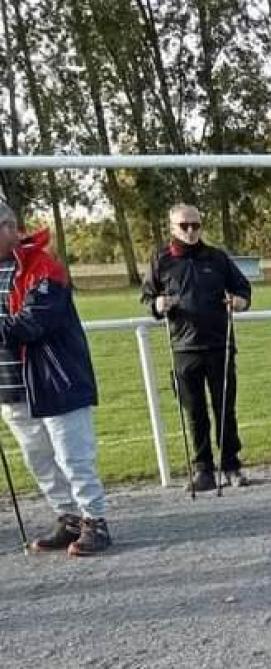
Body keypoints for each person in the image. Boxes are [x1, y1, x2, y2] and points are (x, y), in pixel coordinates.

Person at [0, 202, 110, 556]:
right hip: (10, 386)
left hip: (54, 380)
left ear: (10, 227)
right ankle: (68, 517)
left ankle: (95, 521)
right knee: (39, 459)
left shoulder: (44, 268)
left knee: (73, 456)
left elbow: (33, 323)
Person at [142, 204, 251, 491]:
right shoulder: (161, 259)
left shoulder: (217, 257)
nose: (191, 231)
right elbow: (147, 297)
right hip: (183, 346)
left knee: (225, 408)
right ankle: (203, 468)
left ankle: (231, 464)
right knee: (194, 411)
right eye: (184, 226)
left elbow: (243, 289)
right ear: (173, 228)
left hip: (219, 344)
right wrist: (157, 304)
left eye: (196, 225)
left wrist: (240, 302)